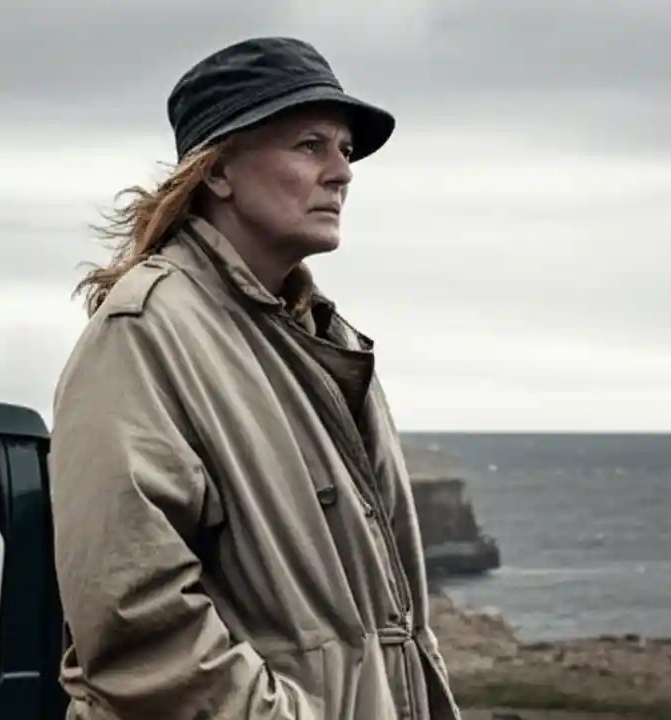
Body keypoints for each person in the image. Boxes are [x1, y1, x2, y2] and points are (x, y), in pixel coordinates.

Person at [49, 36, 461, 719]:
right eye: (309, 145)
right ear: (218, 173)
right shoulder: (145, 334)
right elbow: (135, 619)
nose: (341, 173)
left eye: (346, 151)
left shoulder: (325, 340)